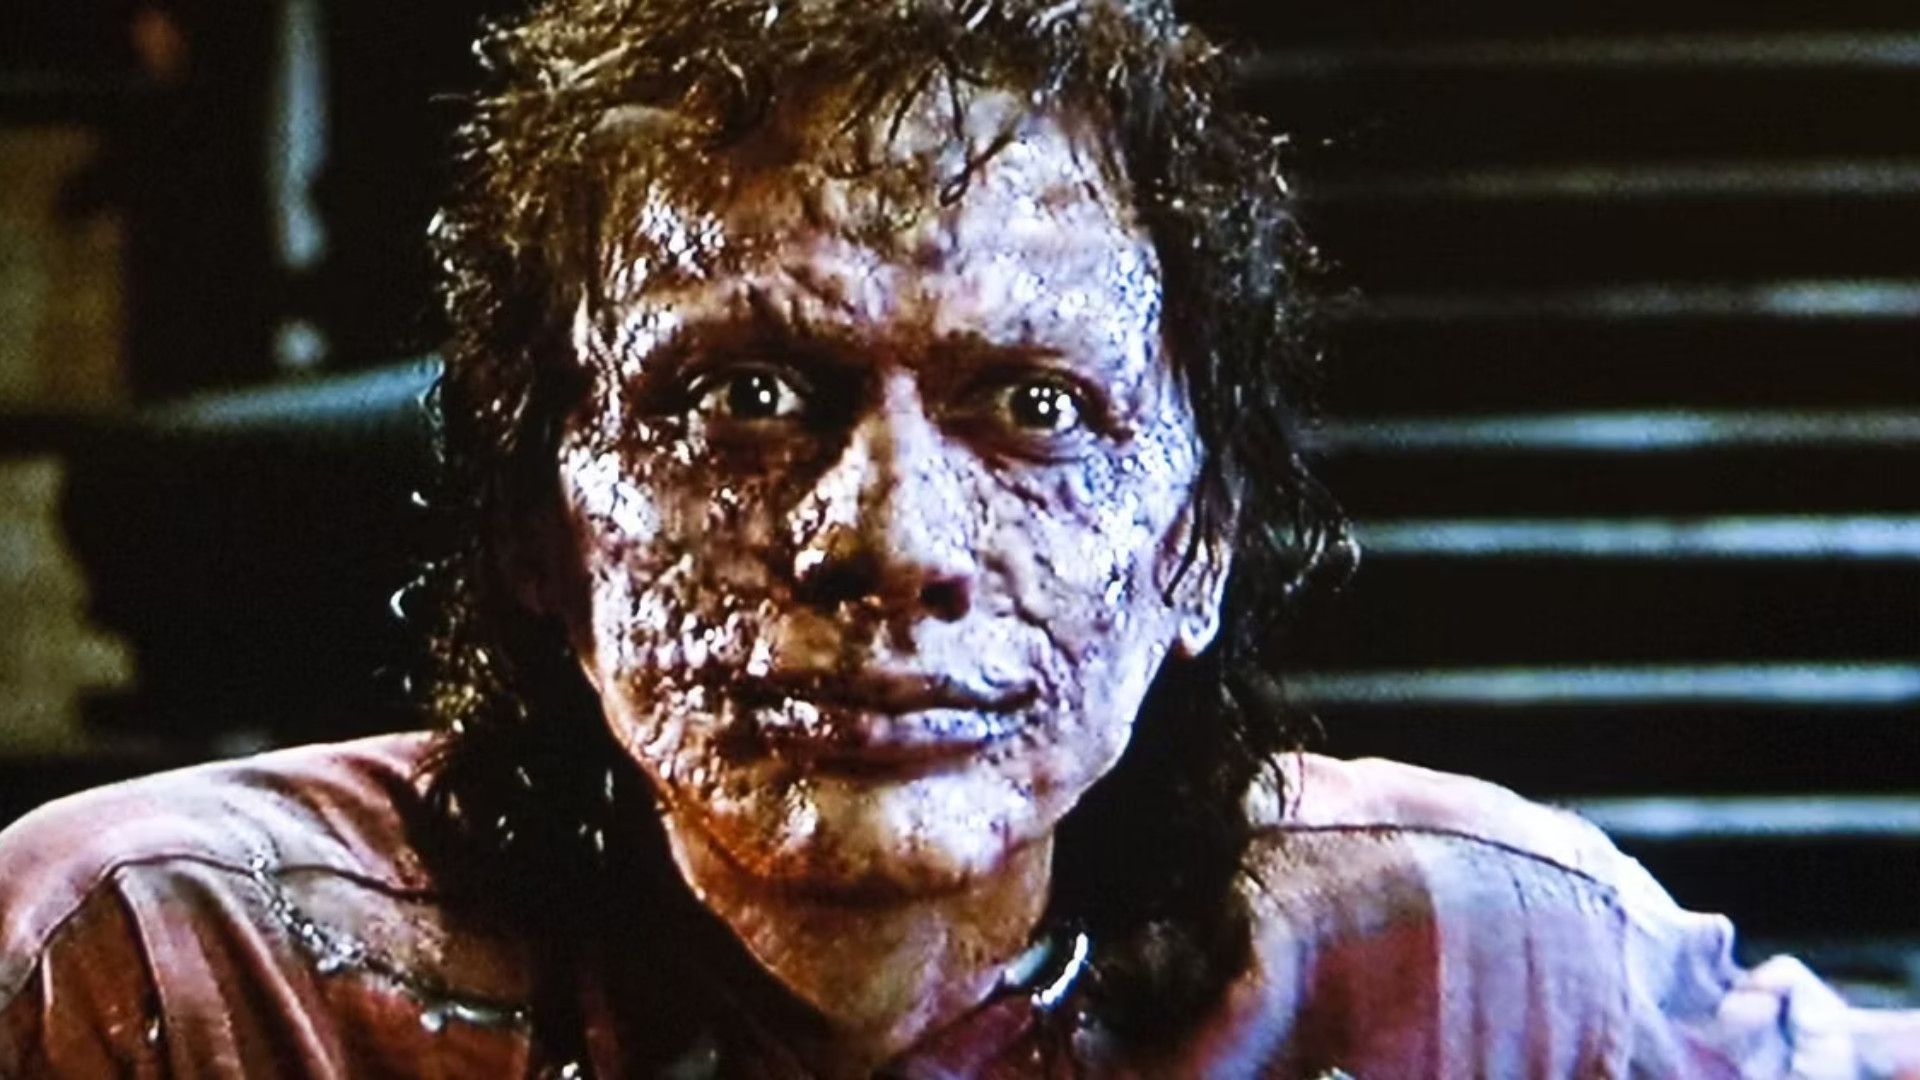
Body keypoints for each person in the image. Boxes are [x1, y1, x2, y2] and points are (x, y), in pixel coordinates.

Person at [4, 0, 1919, 1075]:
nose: (892, 540)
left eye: (1035, 407)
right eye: (742, 398)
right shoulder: (174, 982)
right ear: (539, 528)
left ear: (1197, 549)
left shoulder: (1469, 973)